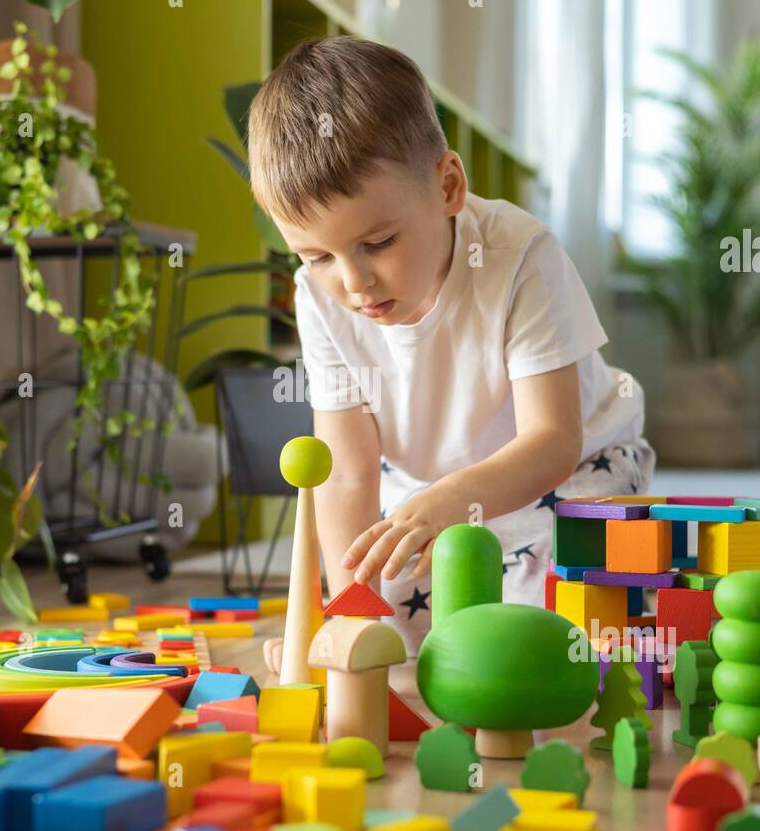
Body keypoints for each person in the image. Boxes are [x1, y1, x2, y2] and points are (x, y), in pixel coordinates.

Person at [248, 36, 654, 659]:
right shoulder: (319, 294)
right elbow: (349, 465)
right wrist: (346, 611)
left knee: (549, 641)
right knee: (394, 634)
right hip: (423, 495)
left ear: (448, 187)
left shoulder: (520, 258)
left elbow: (553, 441)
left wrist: (448, 504)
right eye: (317, 256)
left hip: (570, 475)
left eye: (378, 242)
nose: (353, 283)